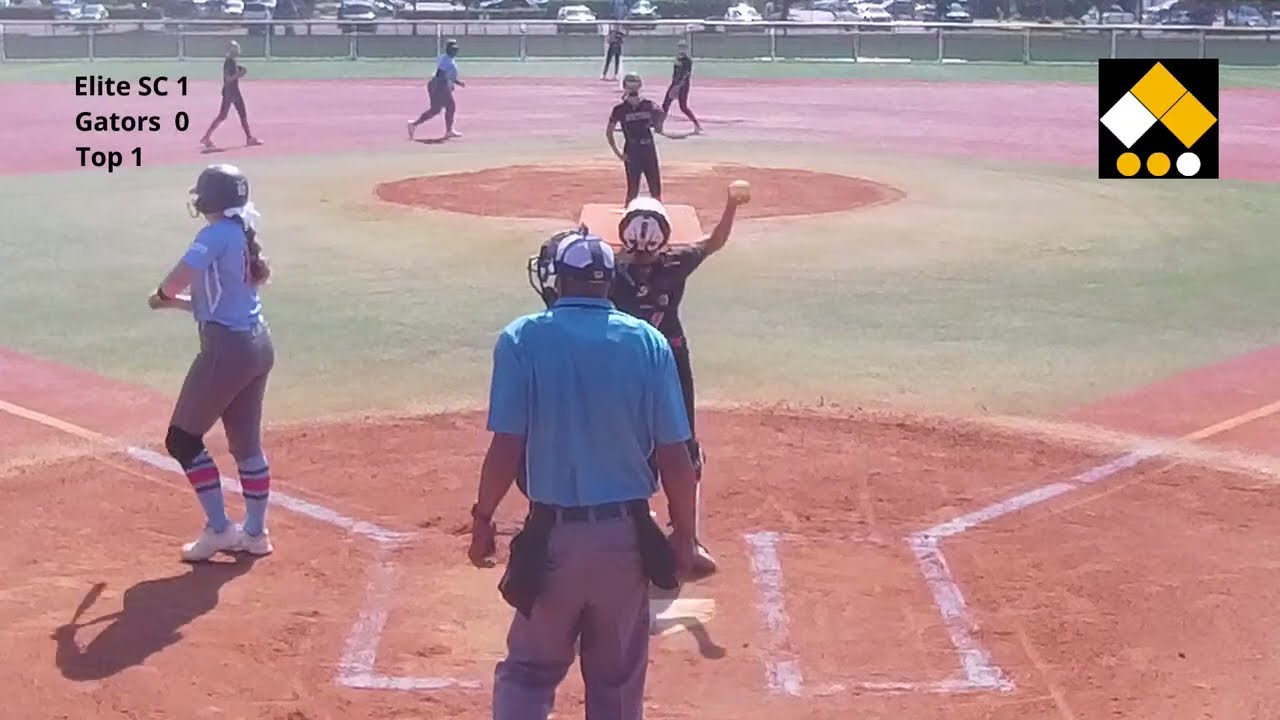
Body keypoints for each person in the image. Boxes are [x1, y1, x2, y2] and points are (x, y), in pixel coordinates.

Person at [474, 228, 700, 720]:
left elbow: (506, 445)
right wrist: (685, 535)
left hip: (551, 538)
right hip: (626, 542)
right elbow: (675, 457)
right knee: (616, 683)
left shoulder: (521, 338)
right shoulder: (648, 342)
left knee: (529, 674)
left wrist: (483, 518)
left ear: (560, 280)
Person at [147, 164, 276, 563]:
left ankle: (219, 529)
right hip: (257, 347)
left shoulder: (213, 235)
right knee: (246, 447)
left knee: (182, 439)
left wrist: (163, 294)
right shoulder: (240, 233)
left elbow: (179, 277)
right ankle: (254, 533)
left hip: (226, 351)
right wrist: (173, 304)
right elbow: (218, 303)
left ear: (207, 200)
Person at [607, 72, 668, 206]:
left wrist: (658, 126)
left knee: (655, 187)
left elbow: (662, 114)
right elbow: (609, 132)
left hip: (647, 149)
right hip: (633, 150)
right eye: (631, 85)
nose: (633, 89)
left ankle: (658, 216)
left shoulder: (648, 105)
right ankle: (629, 217)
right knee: (633, 189)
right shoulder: (620, 109)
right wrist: (618, 153)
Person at [200, 41, 263, 150]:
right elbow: (228, 78)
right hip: (231, 92)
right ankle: (206, 137)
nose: (238, 49)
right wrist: (240, 74)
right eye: (236, 47)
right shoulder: (229, 61)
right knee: (224, 116)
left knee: (241, 114)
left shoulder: (231, 61)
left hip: (233, 91)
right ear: (232, 49)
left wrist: (240, 69)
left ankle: (249, 138)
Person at [408, 39, 465, 140]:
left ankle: (413, 124)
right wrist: (446, 86)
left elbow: (447, 75)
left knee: (435, 110)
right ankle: (449, 130)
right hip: (439, 86)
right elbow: (440, 74)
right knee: (451, 106)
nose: (455, 51)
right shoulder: (447, 60)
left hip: (437, 85)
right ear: (449, 49)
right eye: (453, 49)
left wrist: (457, 82)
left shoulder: (445, 58)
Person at [662, 41, 703, 135]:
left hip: (683, 86)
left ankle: (696, 124)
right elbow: (675, 74)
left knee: (683, 107)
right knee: (665, 105)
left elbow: (686, 75)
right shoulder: (677, 59)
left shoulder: (687, 61)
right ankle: (659, 124)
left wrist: (678, 86)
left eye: (683, 47)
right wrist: (673, 84)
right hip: (675, 84)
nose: (681, 49)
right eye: (680, 47)